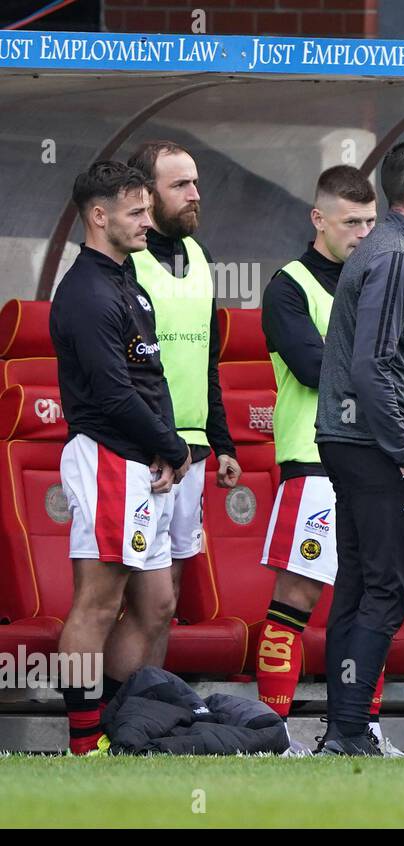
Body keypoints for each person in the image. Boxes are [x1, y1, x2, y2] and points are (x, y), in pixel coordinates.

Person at [313, 139, 404, 755]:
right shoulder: (394, 255)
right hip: (372, 445)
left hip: (349, 440)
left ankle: (341, 728)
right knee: (388, 588)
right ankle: (349, 729)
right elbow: (373, 366)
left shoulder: (384, 250)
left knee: (357, 584)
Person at [51, 160, 193, 754]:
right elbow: (111, 393)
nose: (146, 221)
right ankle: (86, 745)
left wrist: (164, 450)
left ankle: (123, 727)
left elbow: (148, 378)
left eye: (146, 209)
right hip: (109, 458)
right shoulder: (84, 291)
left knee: (157, 604)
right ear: (98, 216)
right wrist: (170, 445)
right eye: (134, 212)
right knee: (99, 602)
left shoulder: (129, 280)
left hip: (146, 462)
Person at [256, 165, 398, 748]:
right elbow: (316, 369)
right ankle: (272, 734)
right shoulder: (289, 285)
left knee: (373, 598)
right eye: (351, 222)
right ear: (319, 219)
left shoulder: (381, 279)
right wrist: (374, 368)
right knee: (297, 597)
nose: (363, 234)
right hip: (312, 462)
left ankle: (361, 728)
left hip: (373, 461)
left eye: (371, 222)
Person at [126, 142, 240, 630]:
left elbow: (206, 360)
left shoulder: (201, 254)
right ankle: (114, 702)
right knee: (130, 592)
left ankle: (155, 700)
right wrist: (154, 440)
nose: (195, 194)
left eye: (195, 183)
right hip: (143, 448)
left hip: (192, 448)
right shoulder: (125, 261)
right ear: (147, 195)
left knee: (167, 599)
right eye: (180, 185)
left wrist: (223, 443)